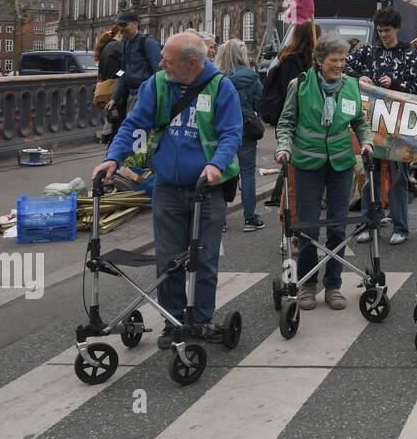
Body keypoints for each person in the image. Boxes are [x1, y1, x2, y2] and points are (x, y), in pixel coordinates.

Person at [92, 31, 243, 347]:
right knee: (168, 258)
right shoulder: (157, 84)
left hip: (208, 188)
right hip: (168, 187)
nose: (160, 64)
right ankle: (173, 321)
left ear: (192, 63)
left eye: (167, 60)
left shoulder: (220, 87)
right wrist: (113, 158)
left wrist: (215, 164)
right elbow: (134, 125)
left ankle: (200, 321)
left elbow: (231, 134)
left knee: (203, 258)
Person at [274, 34, 376, 311]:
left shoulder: (352, 86)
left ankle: (333, 285)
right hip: (307, 164)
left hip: (341, 165)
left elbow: (359, 121)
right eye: (334, 60)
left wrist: (366, 140)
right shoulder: (301, 85)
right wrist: (283, 147)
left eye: (343, 60)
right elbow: (285, 123)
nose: (340, 65)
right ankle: (308, 284)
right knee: (307, 228)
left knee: (337, 227)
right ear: (319, 61)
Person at [346, 9, 417, 245]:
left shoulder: (408, 54)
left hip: (398, 125)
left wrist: (395, 83)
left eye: (387, 30)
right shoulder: (368, 51)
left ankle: (400, 226)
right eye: (379, 30)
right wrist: (359, 78)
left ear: (396, 29)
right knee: (371, 176)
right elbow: (345, 67)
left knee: (398, 178)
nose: (382, 34)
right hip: (370, 123)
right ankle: (369, 223)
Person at [260, 20, 319, 206]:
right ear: (310, 37)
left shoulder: (293, 57)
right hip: (290, 116)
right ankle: (283, 198)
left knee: (292, 158)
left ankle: (280, 196)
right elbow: (291, 90)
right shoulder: (294, 59)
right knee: (292, 158)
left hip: (289, 115)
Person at [217, 39, 265, 232]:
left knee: (221, 172)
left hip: (222, 130)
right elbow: (259, 102)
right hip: (246, 128)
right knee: (247, 173)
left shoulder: (218, 78)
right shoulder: (251, 77)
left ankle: (220, 220)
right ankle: (249, 218)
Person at [106, 11, 163, 117]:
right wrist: (114, 98)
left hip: (145, 95)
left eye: (124, 25)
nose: (121, 28)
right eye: (119, 25)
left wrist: (156, 97)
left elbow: (159, 72)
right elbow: (123, 71)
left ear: (135, 24)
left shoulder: (148, 43)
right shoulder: (126, 44)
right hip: (131, 95)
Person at [93, 24, 125, 142]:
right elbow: (121, 69)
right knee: (117, 119)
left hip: (107, 85)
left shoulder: (106, 47)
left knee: (113, 116)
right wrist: (123, 73)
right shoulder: (117, 46)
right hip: (115, 86)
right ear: (120, 34)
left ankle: (107, 136)